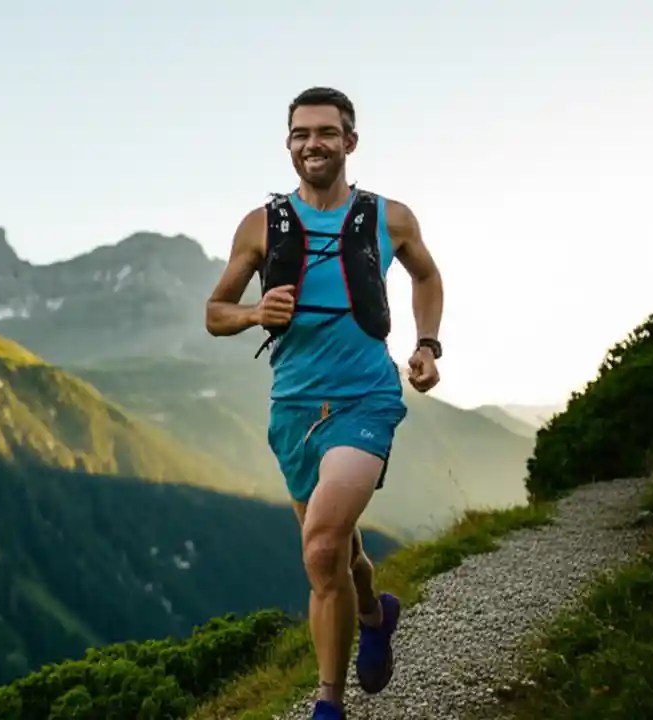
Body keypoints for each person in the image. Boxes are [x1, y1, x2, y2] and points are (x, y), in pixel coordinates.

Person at [204, 86, 444, 720]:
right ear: (288, 145)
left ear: (350, 142)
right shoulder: (261, 226)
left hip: (366, 398)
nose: (313, 143)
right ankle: (373, 610)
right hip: (293, 413)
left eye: (326, 133)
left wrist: (426, 345)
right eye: (301, 134)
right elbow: (214, 312)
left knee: (318, 549)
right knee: (337, 551)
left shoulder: (388, 218)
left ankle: (328, 703)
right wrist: (255, 310)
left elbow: (426, 275)